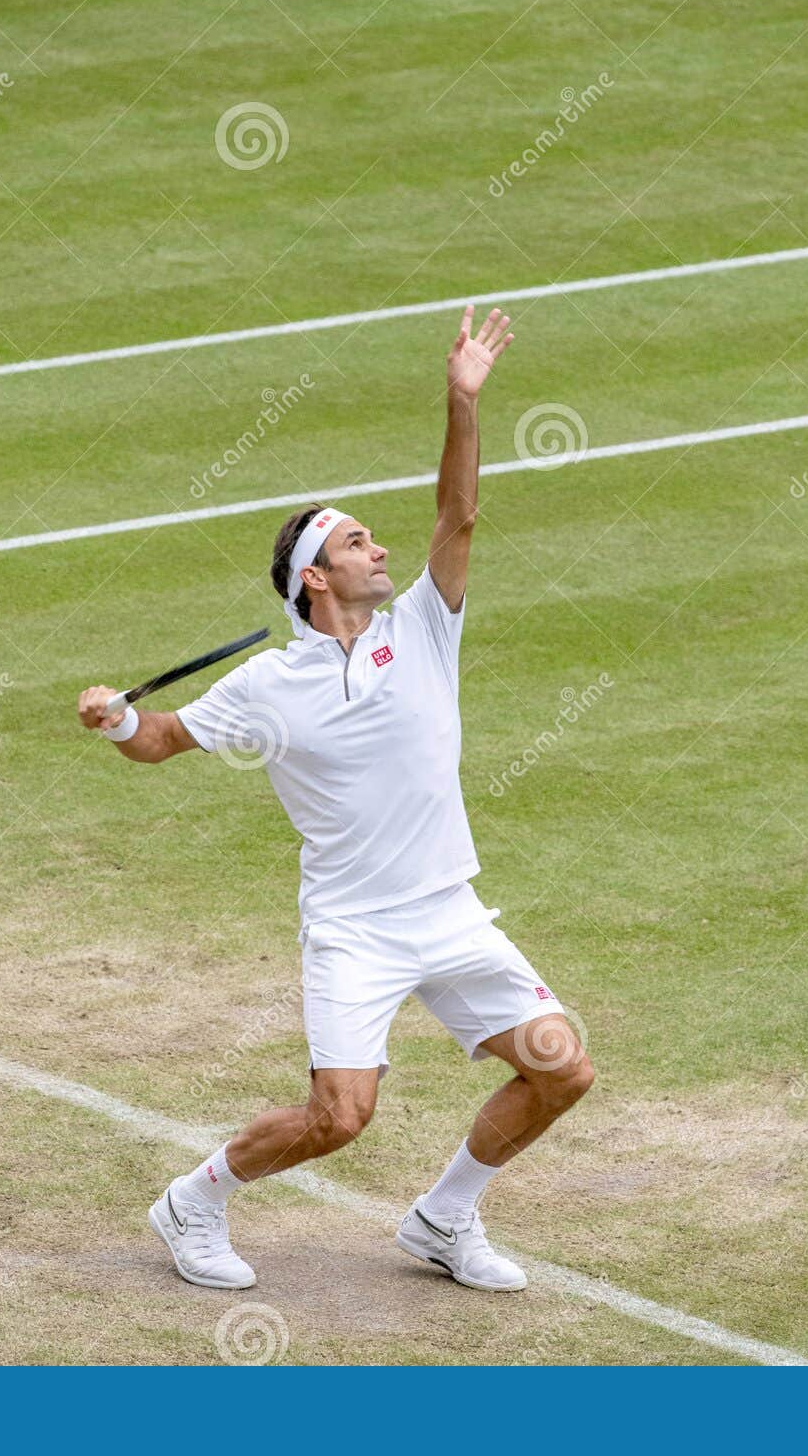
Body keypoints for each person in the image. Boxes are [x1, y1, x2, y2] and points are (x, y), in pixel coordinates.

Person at [76, 306, 592, 1294]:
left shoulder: (425, 627)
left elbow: (459, 516)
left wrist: (461, 399)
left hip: (448, 909)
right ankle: (194, 1200)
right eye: (358, 542)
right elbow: (160, 741)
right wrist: (109, 720)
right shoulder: (266, 686)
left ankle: (442, 1219)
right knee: (337, 1119)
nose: (380, 550)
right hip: (354, 929)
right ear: (315, 576)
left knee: (561, 1067)